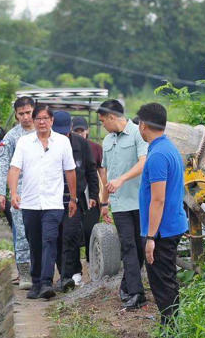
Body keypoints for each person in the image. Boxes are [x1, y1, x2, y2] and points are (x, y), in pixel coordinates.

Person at [8, 105, 77, 300]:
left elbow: (70, 171)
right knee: (35, 243)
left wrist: (73, 198)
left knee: (49, 240)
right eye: (38, 118)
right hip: (29, 203)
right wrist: (13, 193)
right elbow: (14, 169)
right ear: (34, 120)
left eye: (45, 118)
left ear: (52, 121)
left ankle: (47, 282)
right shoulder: (24, 142)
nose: (42, 122)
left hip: (53, 203)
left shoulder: (62, 142)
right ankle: (36, 281)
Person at [137, 103, 188, 326]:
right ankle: (169, 326)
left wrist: (150, 237)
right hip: (169, 225)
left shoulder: (158, 155)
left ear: (144, 125)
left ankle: (170, 332)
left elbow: (158, 199)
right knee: (166, 280)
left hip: (162, 230)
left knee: (162, 282)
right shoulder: (167, 148)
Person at [98, 99, 149, 311]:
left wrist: (122, 179)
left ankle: (127, 284)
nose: (102, 125)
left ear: (112, 117)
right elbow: (106, 174)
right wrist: (104, 202)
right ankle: (137, 293)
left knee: (140, 248)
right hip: (119, 204)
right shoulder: (107, 141)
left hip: (140, 201)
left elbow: (143, 162)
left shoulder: (139, 133)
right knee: (128, 246)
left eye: (103, 121)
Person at [52, 111, 99, 291]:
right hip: (53, 200)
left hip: (75, 199)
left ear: (70, 129)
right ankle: (64, 274)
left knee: (70, 236)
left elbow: (91, 171)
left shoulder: (82, 145)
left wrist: (93, 196)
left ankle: (72, 273)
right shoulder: (48, 144)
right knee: (55, 237)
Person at [0, 97, 35, 290]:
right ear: (16, 115)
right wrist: (0, 193)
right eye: (21, 114)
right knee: (21, 232)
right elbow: (2, 165)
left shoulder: (44, 131)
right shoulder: (11, 137)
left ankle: (42, 271)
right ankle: (24, 272)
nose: (26, 117)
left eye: (28, 112)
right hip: (18, 191)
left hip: (42, 191)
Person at [72, 116, 103, 262]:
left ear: (87, 131)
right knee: (74, 231)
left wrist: (102, 196)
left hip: (91, 193)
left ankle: (91, 260)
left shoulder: (96, 148)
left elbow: (100, 172)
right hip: (74, 194)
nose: (79, 134)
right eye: (76, 131)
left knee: (90, 228)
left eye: (81, 131)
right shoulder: (68, 146)